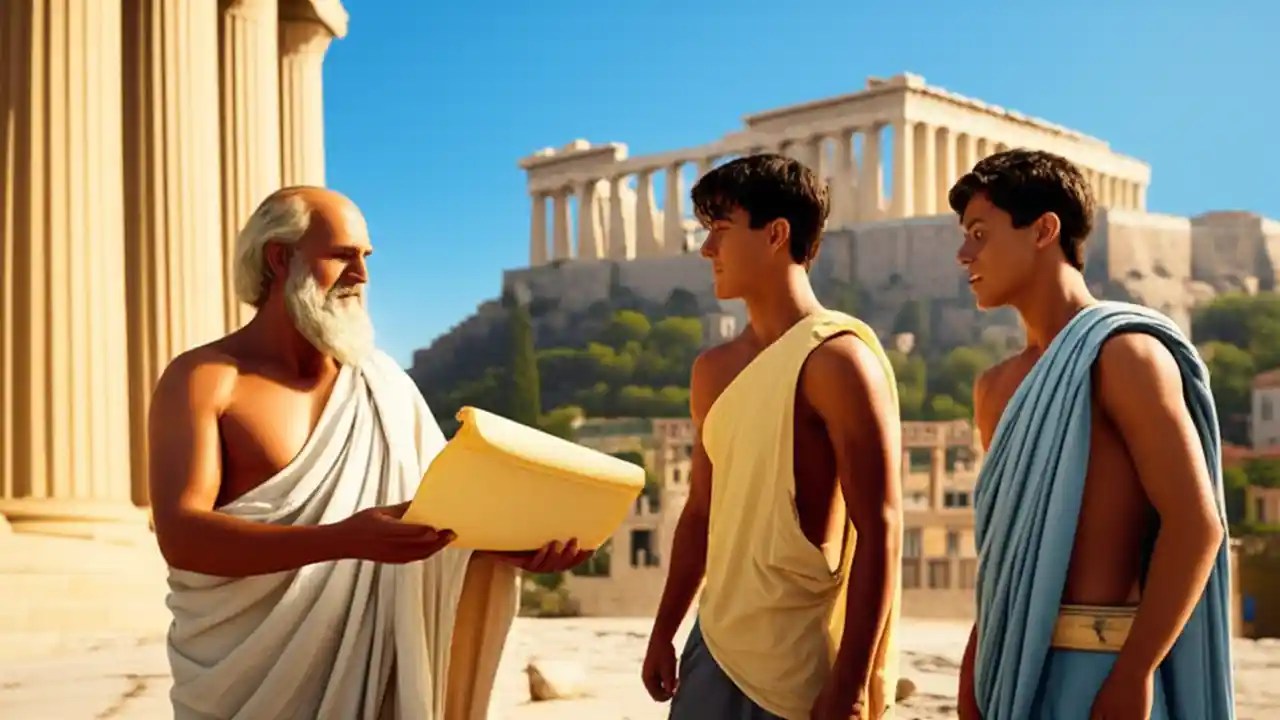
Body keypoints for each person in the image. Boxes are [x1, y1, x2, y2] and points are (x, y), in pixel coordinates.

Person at [147, 186, 591, 719]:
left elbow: (438, 517)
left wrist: (508, 546)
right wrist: (342, 540)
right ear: (278, 257)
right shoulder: (205, 380)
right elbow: (181, 535)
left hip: (375, 677)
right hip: (246, 686)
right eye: (341, 255)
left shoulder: (384, 386)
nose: (362, 275)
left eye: (366, 257)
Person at [951, 149, 1236, 718]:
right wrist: (971, 676)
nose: (965, 254)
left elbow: (1196, 525)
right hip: (1007, 673)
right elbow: (1009, 554)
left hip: (1103, 669)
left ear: (1044, 230)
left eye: (981, 233)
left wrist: (1135, 672)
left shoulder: (1125, 355)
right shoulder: (995, 388)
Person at [640, 154, 903, 720]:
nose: (707, 249)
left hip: (801, 659)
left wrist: (851, 684)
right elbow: (700, 513)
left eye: (722, 230)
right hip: (713, 645)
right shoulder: (711, 370)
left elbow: (879, 527)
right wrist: (665, 630)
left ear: (777, 234)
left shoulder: (838, 360)